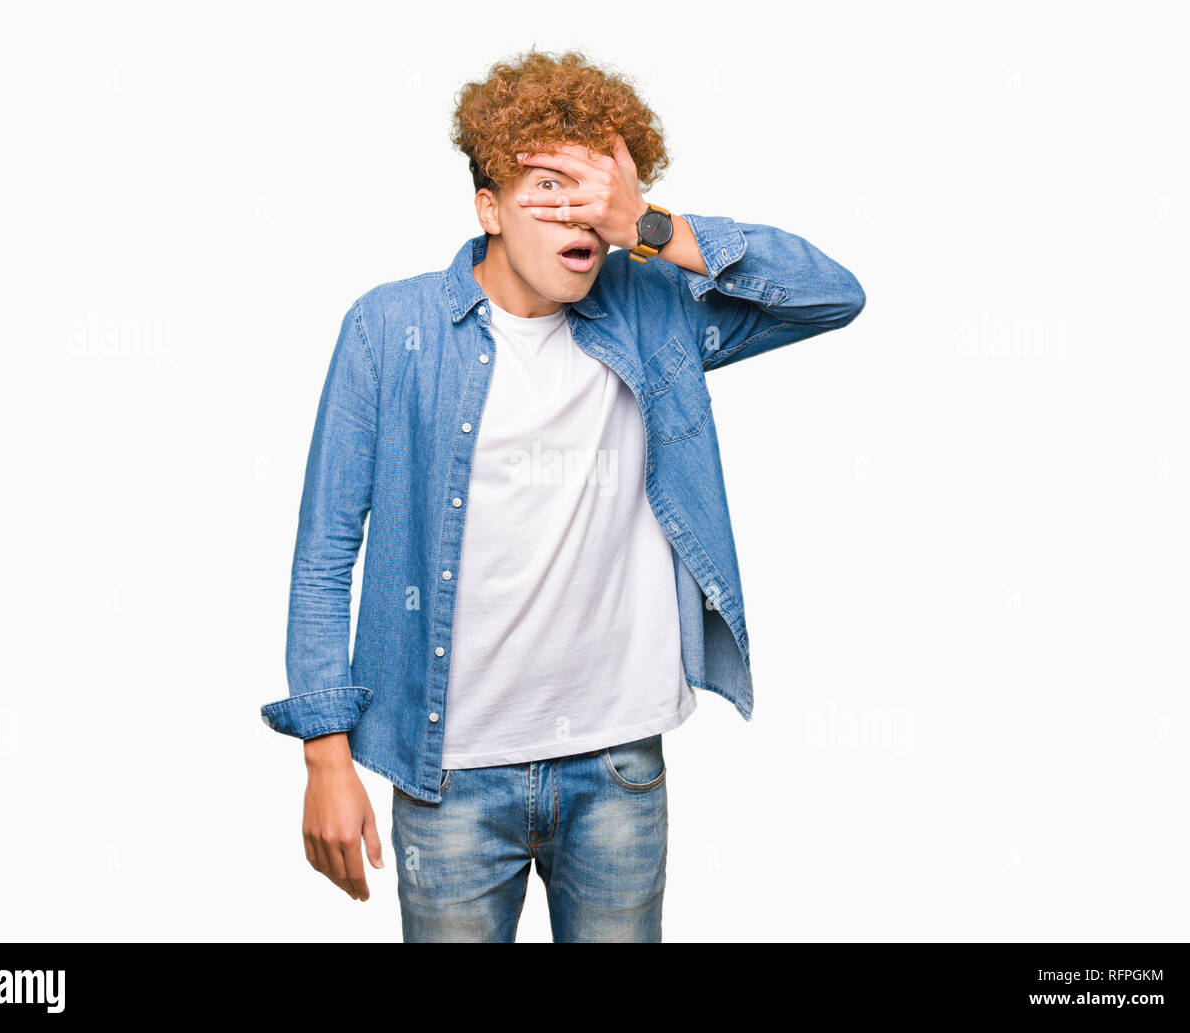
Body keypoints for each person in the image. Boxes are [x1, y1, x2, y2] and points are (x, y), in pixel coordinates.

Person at [259, 48, 865, 942]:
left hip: (617, 766)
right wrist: (325, 754)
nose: (579, 214)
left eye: (596, 191)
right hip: (450, 775)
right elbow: (324, 552)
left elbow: (832, 296)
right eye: (549, 187)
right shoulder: (390, 330)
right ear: (489, 209)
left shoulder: (650, 310)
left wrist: (650, 227)